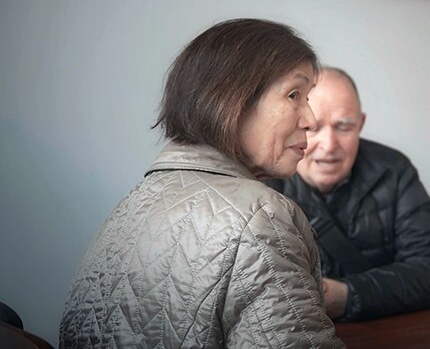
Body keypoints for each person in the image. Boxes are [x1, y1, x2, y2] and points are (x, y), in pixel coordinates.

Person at [60, 19, 344, 348]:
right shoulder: (260, 216)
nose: (309, 119)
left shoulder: (133, 203)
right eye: (294, 94)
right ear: (230, 97)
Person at [268, 67, 430, 321]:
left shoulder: (392, 170)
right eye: (313, 128)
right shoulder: (262, 184)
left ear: (361, 124)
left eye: (344, 127)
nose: (329, 145)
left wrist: (346, 296)